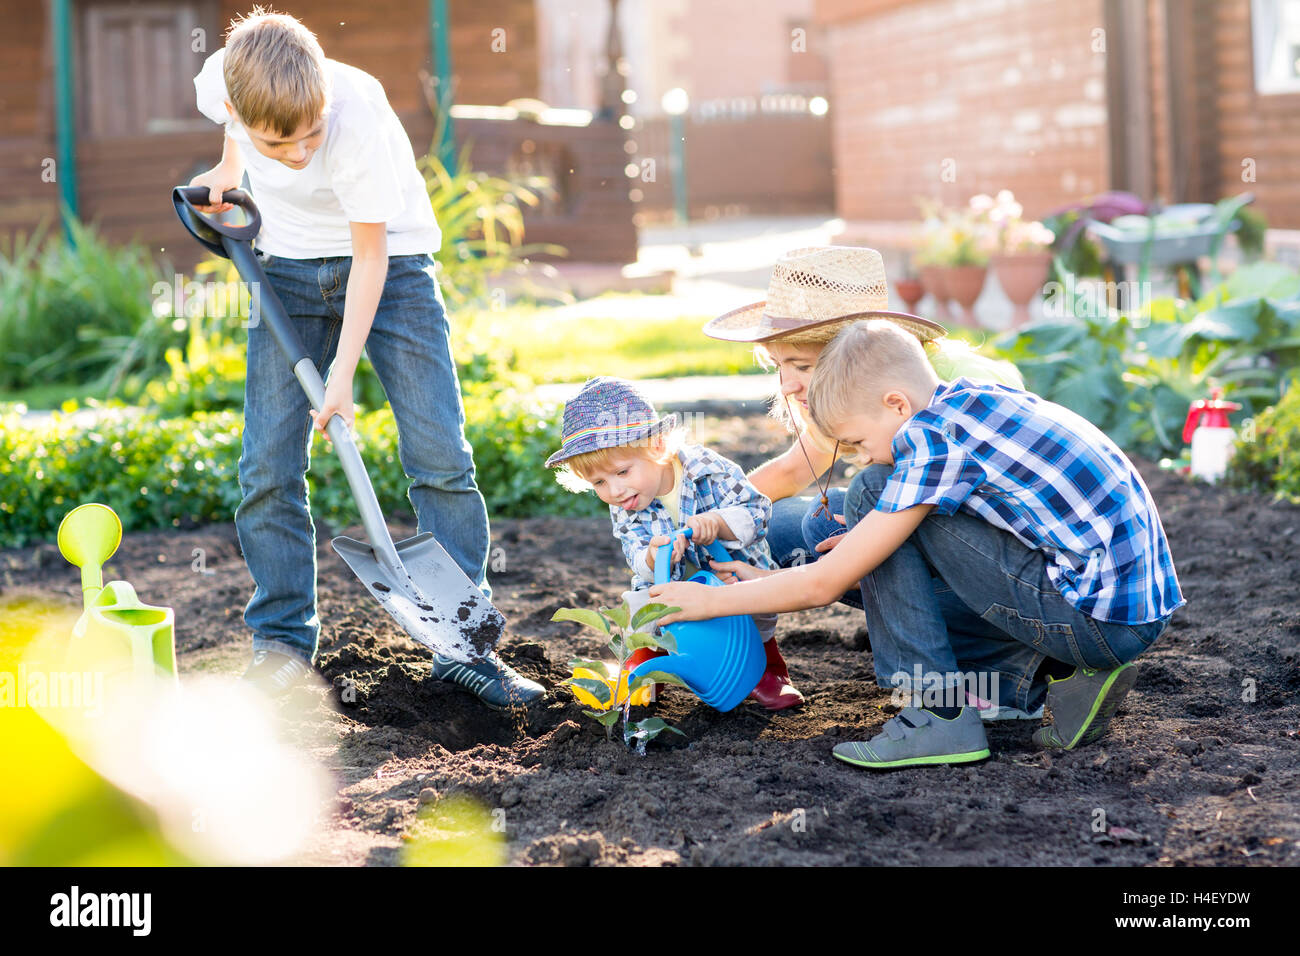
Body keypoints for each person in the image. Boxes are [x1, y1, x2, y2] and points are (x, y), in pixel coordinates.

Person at [187, 9, 541, 707]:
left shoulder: (356, 120)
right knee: (267, 464)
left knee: (440, 455)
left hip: (393, 266)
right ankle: (283, 641)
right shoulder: (218, 83)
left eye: (309, 135)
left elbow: (371, 256)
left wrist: (341, 379)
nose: (296, 154)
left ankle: (462, 648)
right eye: (276, 143)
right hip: (284, 269)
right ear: (235, 106)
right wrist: (231, 172)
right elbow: (234, 139)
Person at [650, 320, 1184, 769]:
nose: (860, 454)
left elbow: (825, 584)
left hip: (1096, 622)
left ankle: (939, 713)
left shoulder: (932, 446)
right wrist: (769, 580)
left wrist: (710, 602)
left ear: (896, 403)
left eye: (858, 440)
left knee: (873, 490)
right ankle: (1042, 675)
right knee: (877, 502)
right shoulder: (971, 401)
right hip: (1123, 609)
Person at [703, 245, 1036, 719]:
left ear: (850, 348)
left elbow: (1006, 517)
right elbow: (796, 470)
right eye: (777, 365)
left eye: (800, 364)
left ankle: (987, 669)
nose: (786, 385)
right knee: (774, 527)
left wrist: (864, 535)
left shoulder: (947, 387)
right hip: (925, 531)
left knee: (859, 503)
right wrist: (707, 516)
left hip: (1012, 574)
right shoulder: (854, 387)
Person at [547, 377, 804, 709]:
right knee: (641, 609)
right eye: (599, 482)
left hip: (730, 569)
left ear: (656, 446)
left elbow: (758, 512)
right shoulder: (623, 503)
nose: (614, 491)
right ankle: (644, 670)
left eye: (622, 473)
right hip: (673, 579)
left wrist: (719, 523)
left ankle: (767, 670)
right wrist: (652, 558)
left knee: (754, 611)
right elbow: (634, 551)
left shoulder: (709, 471)